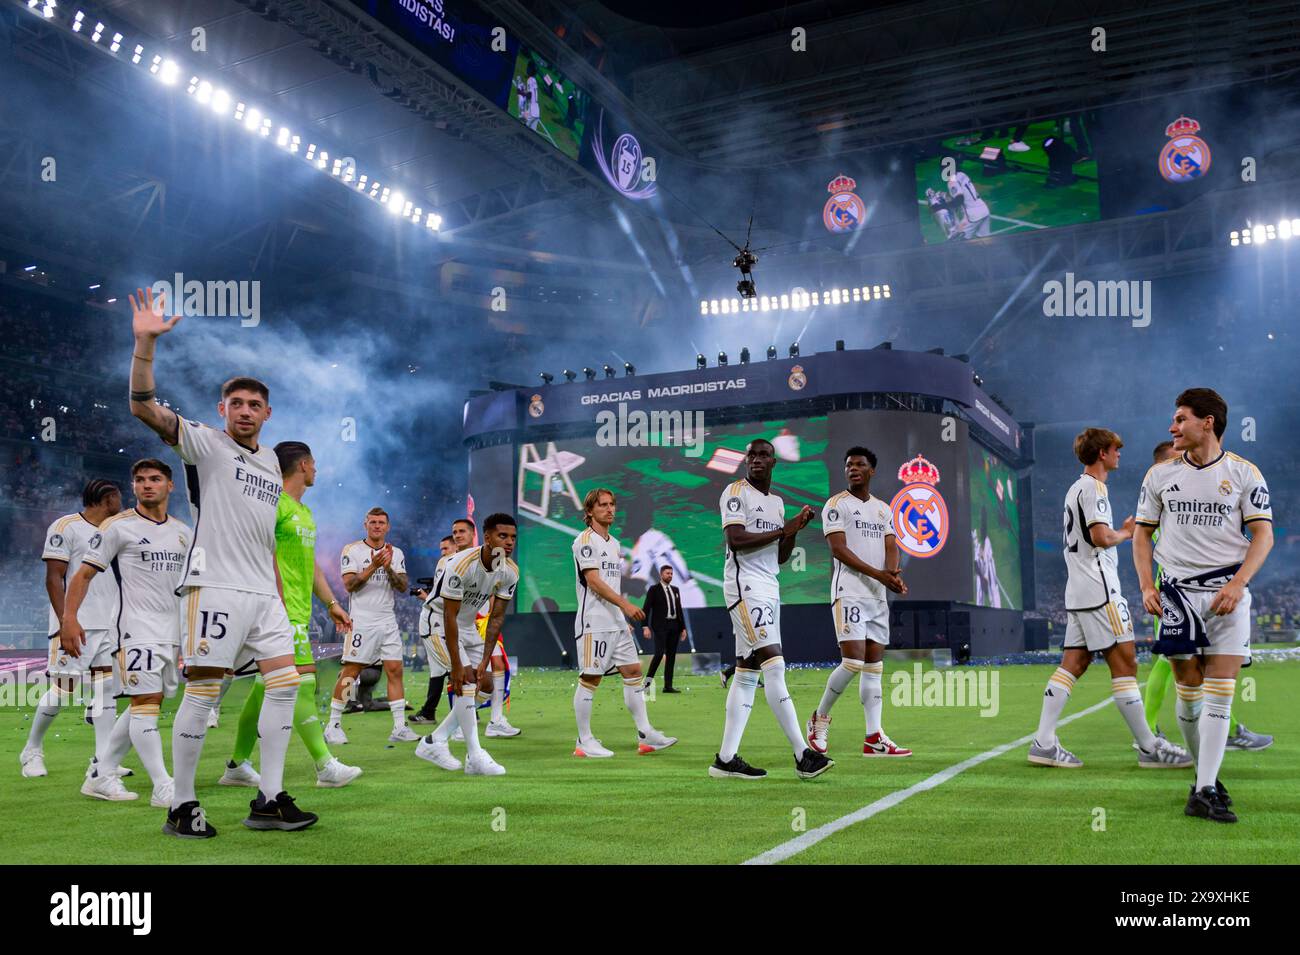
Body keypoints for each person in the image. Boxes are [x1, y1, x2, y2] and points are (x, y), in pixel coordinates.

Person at [128, 285, 316, 838]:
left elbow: (266, 539)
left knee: (285, 685)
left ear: (268, 414)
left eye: (255, 404)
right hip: (215, 588)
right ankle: (181, 805)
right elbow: (143, 407)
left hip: (263, 596)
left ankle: (270, 796)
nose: (245, 411)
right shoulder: (206, 445)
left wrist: (280, 591)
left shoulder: (267, 471)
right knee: (204, 690)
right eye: (236, 403)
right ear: (222, 410)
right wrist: (145, 344)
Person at [1134, 390, 1273, 823]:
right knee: (1189, 693)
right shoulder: (1159, 475)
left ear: (1207, 422)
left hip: (1228, 595)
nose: (1173, 427)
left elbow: (1263, 535)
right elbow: (1142, 536)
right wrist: (1144, 586)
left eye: (1180, 419)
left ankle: (1206, 787)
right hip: (1177, 595)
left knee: (1221, 691)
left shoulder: (1244, 473)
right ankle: (1203, 778)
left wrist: (1238, 583)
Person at [1028, 428, 1191, 770]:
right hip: (1101, 592)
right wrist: (1128, 532)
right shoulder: (1094, 488)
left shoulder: (1076, 488)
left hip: (1079, 590)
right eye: (1116, 448)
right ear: (1102, 452)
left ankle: (1043, 742)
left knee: (1074, 663)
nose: (1120, 453)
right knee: (1126, 664)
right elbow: (1101, 537)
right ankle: (1149, 747)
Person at [219, 441, 360, 789]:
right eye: (313, 464)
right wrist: (278, 605)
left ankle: (237, 765)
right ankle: (325, 765)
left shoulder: (305, 512)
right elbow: (264, 555)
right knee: (302, 682)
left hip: (297, 609)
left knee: (263, 687)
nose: (316, 470)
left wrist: (331, 604)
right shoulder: (274, 505)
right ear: (303, 465)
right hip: (277, 611)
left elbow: (309, 565)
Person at [63, 459, 188, 807]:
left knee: (145, 704)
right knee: (145, 703)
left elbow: (190, 585)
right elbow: (82, 575)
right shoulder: (118, 527)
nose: (147, 485)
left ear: (169, 486)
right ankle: (164, 785)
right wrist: (69, 619)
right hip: (133, 629)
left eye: (155, 479)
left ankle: (102, 774)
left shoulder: (183, 532)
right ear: (133, 487)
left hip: (170, 631)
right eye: (140, 480)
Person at [709, 439, 833, 780]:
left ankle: (725, 759)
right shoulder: (735, 491)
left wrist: (794, 529)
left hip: (769, 588)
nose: (757, 460)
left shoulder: (776, 503)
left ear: (773, 461)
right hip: (744, 588)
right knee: (774, 666)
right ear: (746, 460)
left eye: (764, 455)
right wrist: (784, 529)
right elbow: (735, 539)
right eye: (752, 455)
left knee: (747, 673)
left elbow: (779, 554)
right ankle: (802, 754)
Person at [1141, 440, 1273, 751]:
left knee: (1212, 669)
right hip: (1176, 595)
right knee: (1172, 665)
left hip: (1195, 592)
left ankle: (1228, 729)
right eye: (1177, 458)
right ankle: (1148, 733)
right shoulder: (1164, 494)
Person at [806, 447, 912, 757]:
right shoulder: (836, 505)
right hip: (849, 592)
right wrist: (881, 576)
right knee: (852, 661)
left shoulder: (883, 508)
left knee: (874, 667)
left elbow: (891, 544)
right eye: (849, 464)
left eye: (860, 464)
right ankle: (819, 717)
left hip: (877, 597)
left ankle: (873, 737)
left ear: (871, 470)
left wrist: (892, 574)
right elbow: (839, 550)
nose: (853, 468)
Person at [21, 479, 122, 780]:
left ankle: (102, 763)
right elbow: (54, 577)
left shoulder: (115, 530)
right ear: (107, 498)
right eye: (118, 497)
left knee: (105, 690)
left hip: (110, 623)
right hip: (76, 623)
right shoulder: (65, 527)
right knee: (63, 688)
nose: (122, 502)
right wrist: (67, 620)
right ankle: (32, 750)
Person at [571, 489, 676, 757]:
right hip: (594, 622)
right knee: (590, 677)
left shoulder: (615, 543)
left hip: (616, 623)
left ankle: (645, 733)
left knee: (632, 671)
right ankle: (583, 740)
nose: (610, 509)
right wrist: (626, 606)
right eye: (603, 505)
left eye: (612, 504)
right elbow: (594, 582)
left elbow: (613, 583)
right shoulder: (584, 541)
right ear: (590, 511)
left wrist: (622, 616)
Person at [413, 514, 518, 775]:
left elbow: (496, 617)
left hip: (468, 625)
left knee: (486, 685)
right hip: (438, 621)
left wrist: (484, 659)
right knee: (467, 681)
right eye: (502, 536)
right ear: (487, 537)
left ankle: (434, 740)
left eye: (513, 537)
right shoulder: (460, 564)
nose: (508, 542)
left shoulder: (510, 571)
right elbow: (448, 615)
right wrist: (457, 664)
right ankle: (475, 756)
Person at [326, 508, 414, 744]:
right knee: (351, 671)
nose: (377, 526)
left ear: (388, 527)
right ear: (366, 525)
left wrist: (387, 567)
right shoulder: (352, 550)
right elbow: (350, 585)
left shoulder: (396, 553)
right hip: (362, 621)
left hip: (388, 620)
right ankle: (333, 724)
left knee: (395, 670)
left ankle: (399, 727)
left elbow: (403, 585)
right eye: (373, 522)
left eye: (381, 523)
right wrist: (374, 566)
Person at [411, 533, 457, 724]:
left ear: (456, 547)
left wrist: (425, 596)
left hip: (442, 621)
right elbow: (441, 598)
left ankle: (428, 712)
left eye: (445, 548)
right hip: (433, 623)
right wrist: (426, 598)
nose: (442, 553)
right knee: (455, 668)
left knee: (438, 670)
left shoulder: (457, 562)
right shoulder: (445, 563)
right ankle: (466, 712)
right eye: (441, 550)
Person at [641, 564, 686, 694]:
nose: (670, 575)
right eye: (667, 573)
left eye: (671, 573)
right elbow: (646, 608)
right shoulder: (654, 589)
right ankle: (647, 683)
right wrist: (645, 626)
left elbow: (679, 610)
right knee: (659, 654)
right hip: (660, 627)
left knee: (671, 656)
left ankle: (668, 686)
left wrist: (683, 628)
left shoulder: (676, 590)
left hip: (675, 627)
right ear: (661, 575)